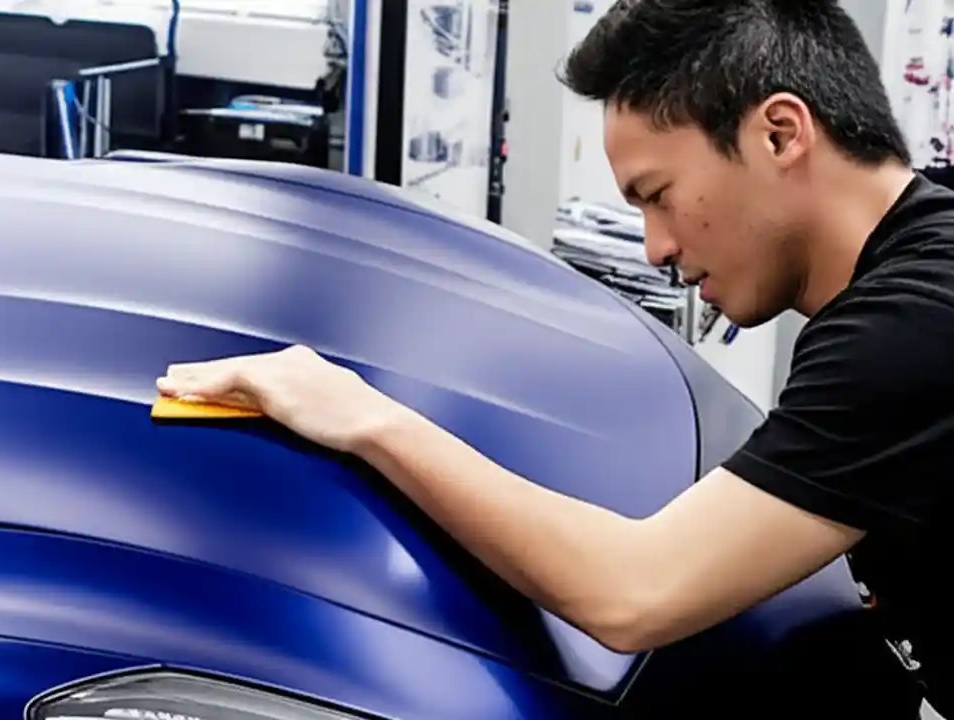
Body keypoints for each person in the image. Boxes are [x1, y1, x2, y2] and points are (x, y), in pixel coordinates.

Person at [156, 0, 951, 712]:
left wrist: (366, 417)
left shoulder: (908, 324)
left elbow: (634, 593)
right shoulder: (917, 261)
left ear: (779, 133)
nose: (658, 248)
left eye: (657, 195)